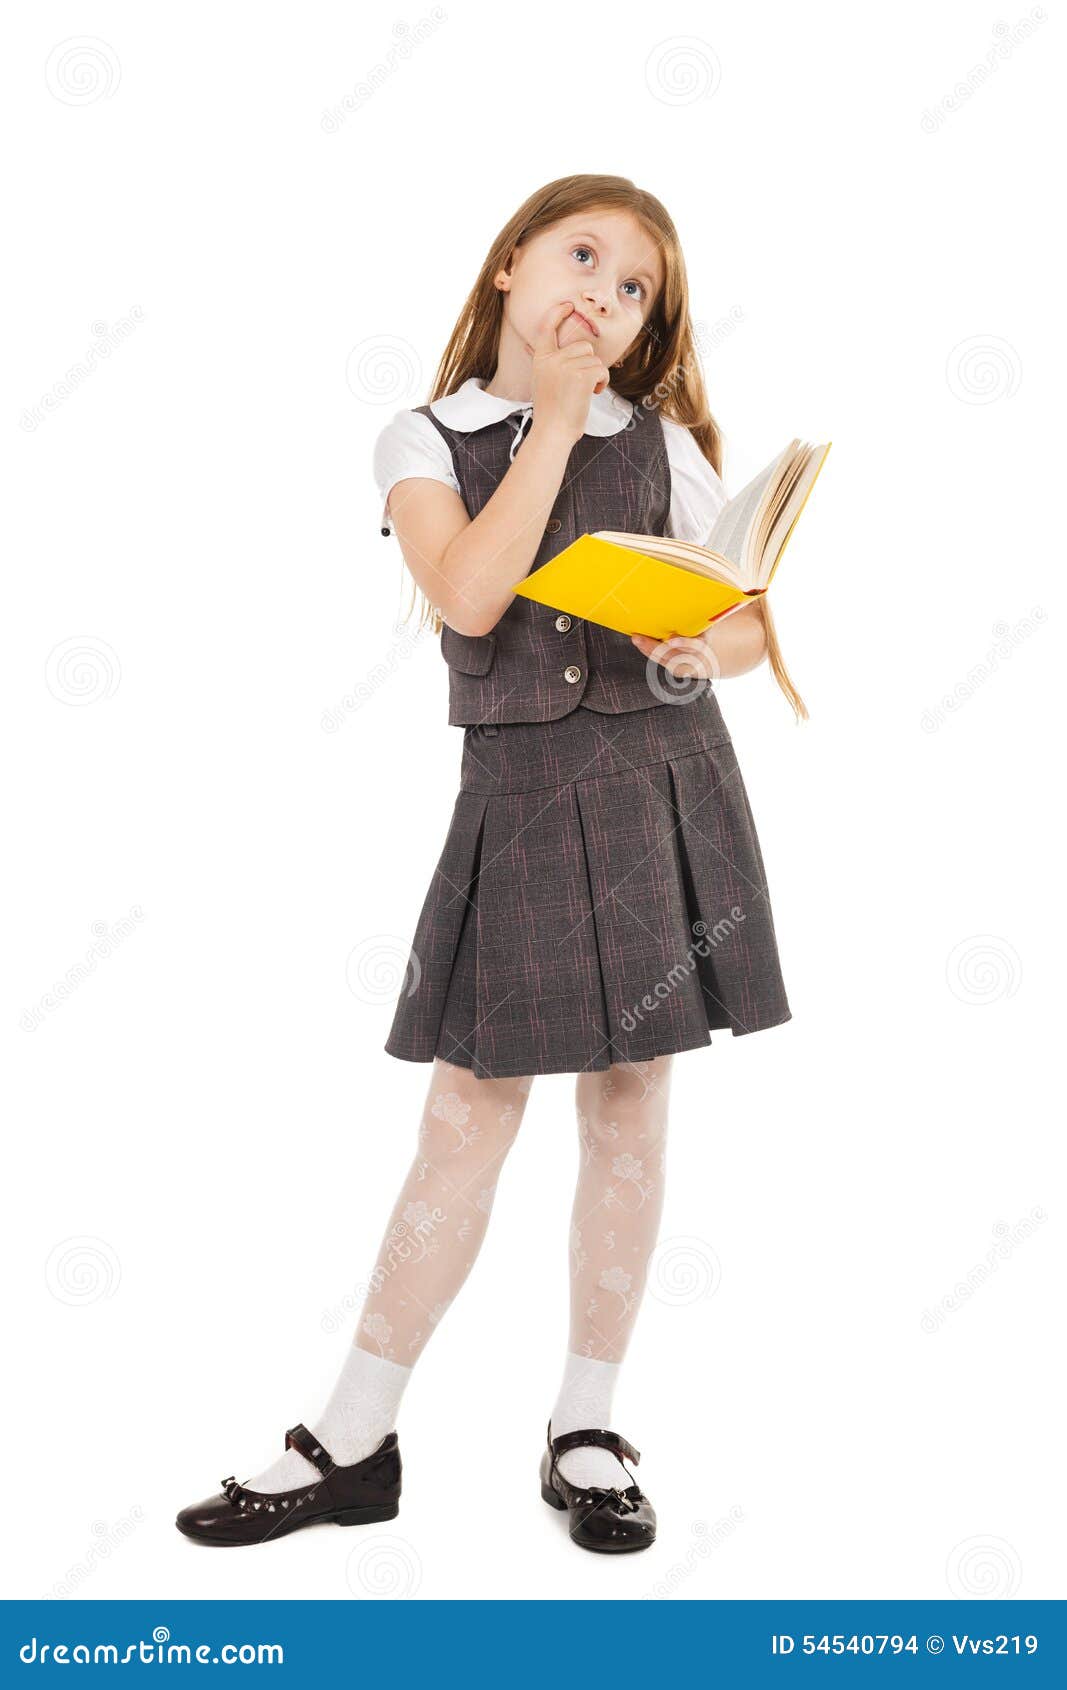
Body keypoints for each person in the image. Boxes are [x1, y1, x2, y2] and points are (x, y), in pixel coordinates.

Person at [176, 173, 800, 1556]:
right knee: (468, 1108)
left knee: (632, 1098)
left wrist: (707, 644)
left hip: (659, 786)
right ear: (514, 261)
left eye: (637, 288)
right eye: (585, 254)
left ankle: (587, 1423)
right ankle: (353, 1433)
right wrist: (558, 424)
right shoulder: (426, 431)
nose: (606, 292)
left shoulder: (671, 442)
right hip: (518, 800)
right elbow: (467, 590)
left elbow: (752, 619)